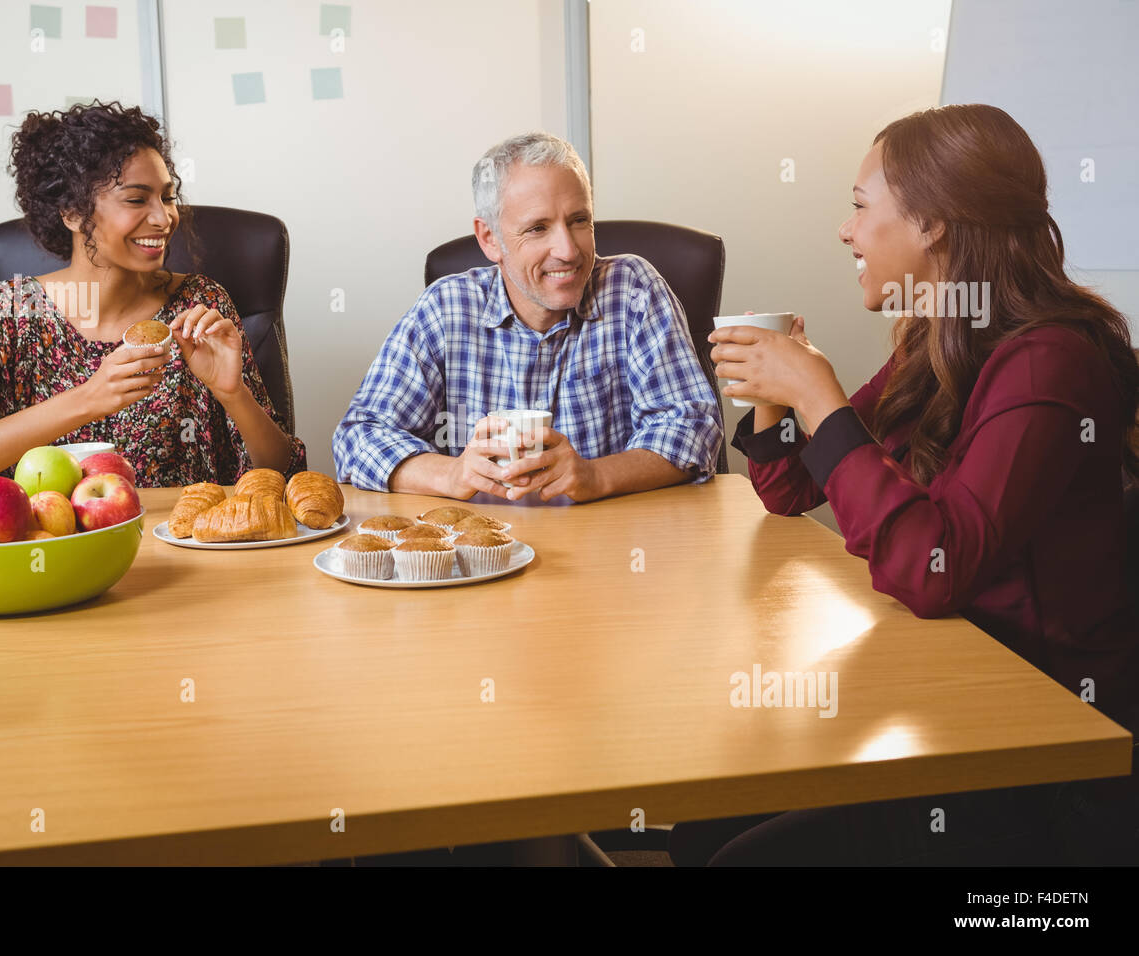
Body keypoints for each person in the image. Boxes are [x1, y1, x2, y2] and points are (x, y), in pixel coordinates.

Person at [670, 104, 1139, 866]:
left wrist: (819, 397)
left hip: (1037, 744)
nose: (846, 232)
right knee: (705, 818)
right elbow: (788, 491)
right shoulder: (942, 333)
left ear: (934, 224)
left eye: (861, 207)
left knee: (734, 857)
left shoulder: (1047, 362)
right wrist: (777, 390)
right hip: (947, 683)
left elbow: (934, 567)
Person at [0, 100, 304, 491]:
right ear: (72, 213)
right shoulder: (12, 310)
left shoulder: (200, 303)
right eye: (136, 199)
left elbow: (284, 472)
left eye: (167, 196)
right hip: (53, 554)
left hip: (182, 548)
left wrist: (235, 396)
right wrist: (89, 398)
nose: (164, 218)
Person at [331, 131, 722, 504]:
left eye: (579, 220)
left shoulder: (632, 290)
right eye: (538, 228)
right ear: (490, 239)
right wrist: (452, 475)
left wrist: (595, 476)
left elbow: (694, 427)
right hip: (485, 547)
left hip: (614, 545)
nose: (567, 250)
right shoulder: (445, 307)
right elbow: (358, 438)